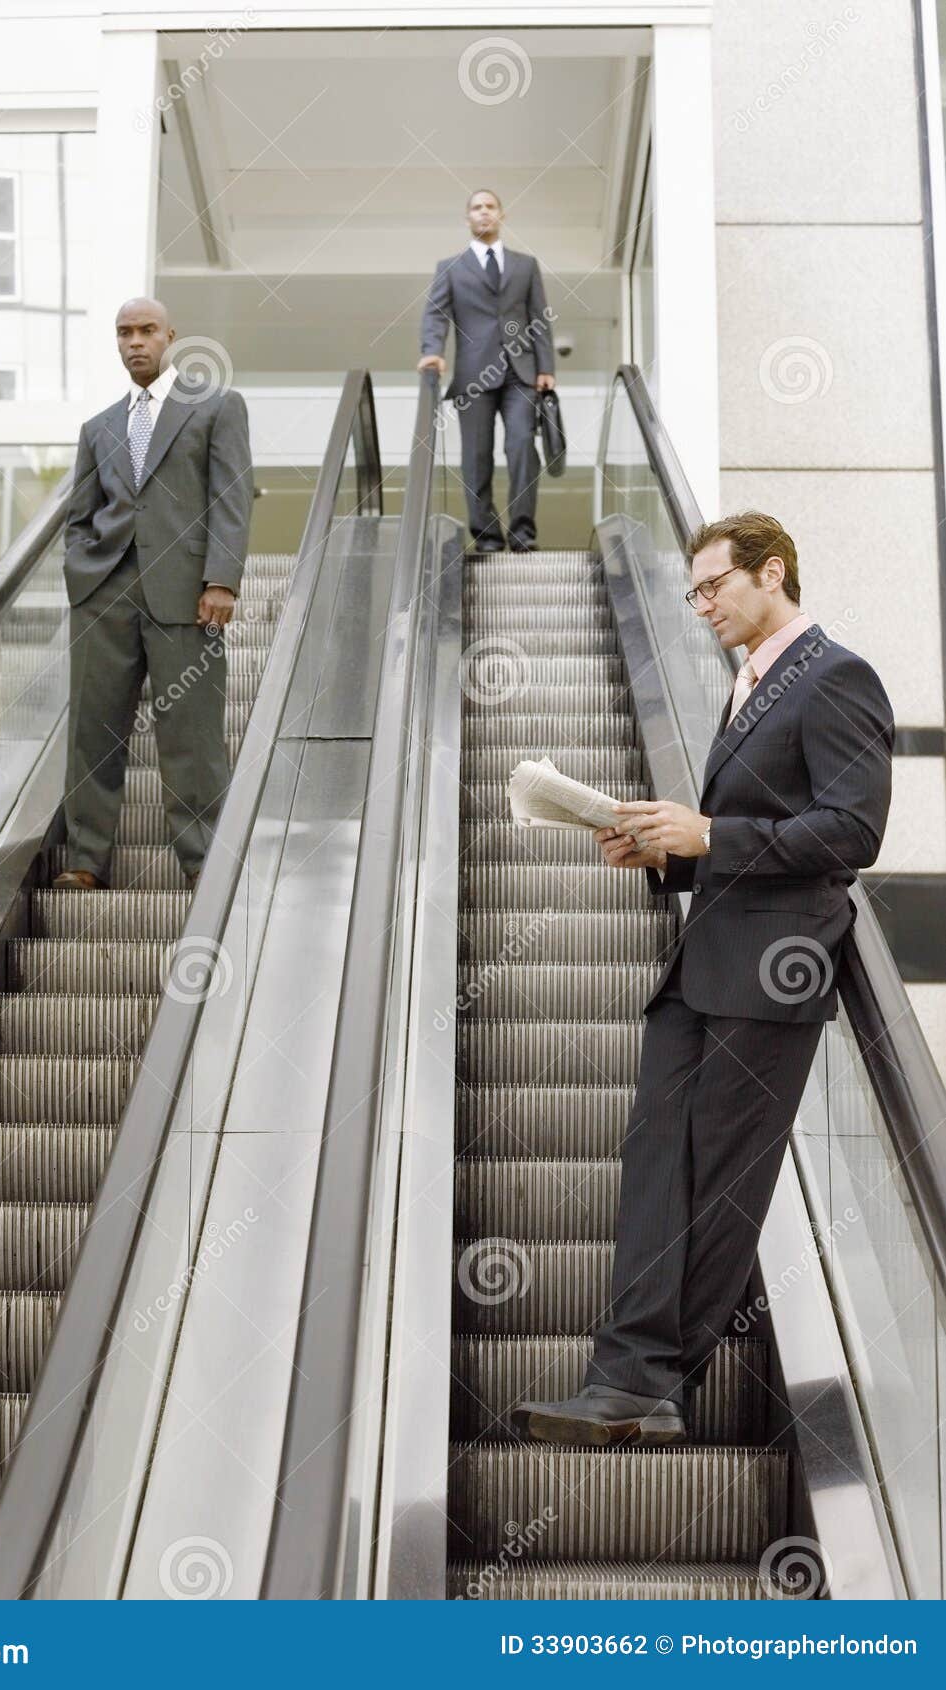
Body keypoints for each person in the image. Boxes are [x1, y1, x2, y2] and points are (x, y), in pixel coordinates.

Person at [511, 511, 894, 1446]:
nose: (701, 605)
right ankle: (626, 1375)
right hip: (705, 965)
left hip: (774, 971)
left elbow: (852, 832)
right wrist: (664, 853)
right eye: (693, 592)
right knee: (654, 1163)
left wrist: (711, 835)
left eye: (712, 586)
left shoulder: (834, 676)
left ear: (771, 575)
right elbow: (755, 832)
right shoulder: (751, 688)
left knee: (719, 1184)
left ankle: (651, 1385)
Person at [53, 297, 252, 892]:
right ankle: (85, 860)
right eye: (124, 333)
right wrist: (80, 572)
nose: (135, 341)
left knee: (190, 731)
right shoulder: (98, 428)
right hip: (103, 593)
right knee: (94, 730)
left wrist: (222, 580)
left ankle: (200, 863)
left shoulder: (215, 406)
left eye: (146, 331)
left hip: (186, 593)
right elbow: (79, 515)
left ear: (170, 335)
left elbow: (232, 496)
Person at [417, 188, 556, 554]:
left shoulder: (525, 265)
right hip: (473, 374)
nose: (484, 212)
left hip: (520, 372)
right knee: (476, 457)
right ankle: (488, 536)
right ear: (468, 218)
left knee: (522, 446)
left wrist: (546, 367)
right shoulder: (450, 268)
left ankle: (523, 533)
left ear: (501, 215)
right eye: (476, 208)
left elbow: (539, 316)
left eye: (490, 206)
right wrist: (432, 352)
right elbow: (435, 313)